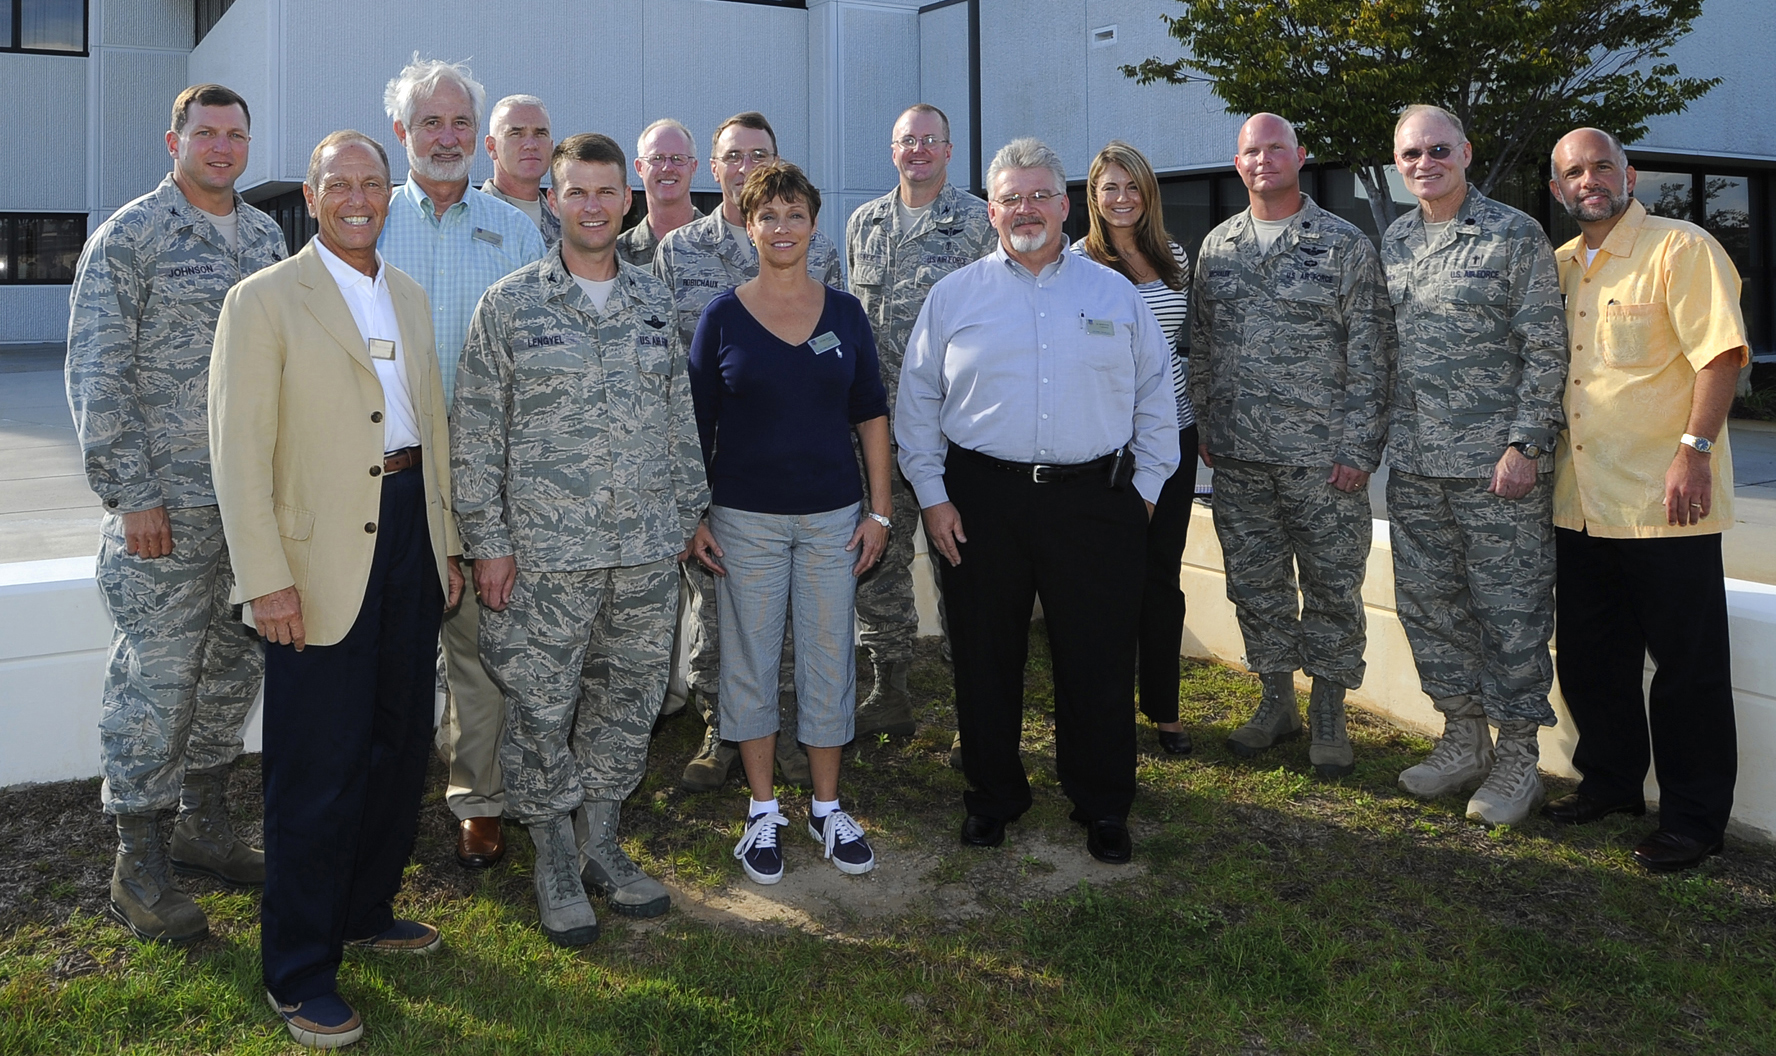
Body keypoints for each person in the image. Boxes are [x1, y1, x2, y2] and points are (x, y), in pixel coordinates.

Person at [211, 129, 463, 1050]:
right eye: (339, 183)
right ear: (311, 199)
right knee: (315, 767)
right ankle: (299, 968)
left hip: (408, 540)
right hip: (316, 562)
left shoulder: (407, 294)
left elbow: (428, 426)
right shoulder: (265, 301)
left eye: (373, 182)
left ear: (388, 195)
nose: (359, 196)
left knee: (398, 747)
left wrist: (444, 546)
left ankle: (365, 909)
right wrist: (266, 579)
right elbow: (238, 457)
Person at [453, 133, 709, 941]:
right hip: (543, 557)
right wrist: (488, 542)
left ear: (626, 200)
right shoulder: (511, 305)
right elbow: (475, 434)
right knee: (539, 707)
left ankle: (602, 841)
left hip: (643, 551)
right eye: (576, 192)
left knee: (628, 702)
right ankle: (553, 855)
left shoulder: (652, 303)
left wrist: (687, 515)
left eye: (606, 192)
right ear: (553, 200)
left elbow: (679, 420)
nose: (592, 206)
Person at [897, 137, 1179, 864]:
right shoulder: (954, 296)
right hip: (981, 499)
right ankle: (993, 798)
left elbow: (1157, 396)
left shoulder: (1112, 294)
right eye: (1010, 197)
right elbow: (917, 405)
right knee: (985, 659)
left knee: (1098, 660)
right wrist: (932, 496)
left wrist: (1144, 492)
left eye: (1040, 195)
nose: (1026, 209)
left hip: (1094, 502)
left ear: (1065, 205)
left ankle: (1103, 802)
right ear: (990, 210)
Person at [66, 83, 287, 945]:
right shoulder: (132, 237)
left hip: (249, 509)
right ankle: (139, 862)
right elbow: (97, 372)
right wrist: (133, 494)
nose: (224, 148)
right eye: (208, 133)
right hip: (167, 508)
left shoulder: (266, 237)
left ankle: (203, 824)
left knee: (232, 672)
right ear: (175, 140)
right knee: (156, 685)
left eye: (237, 134)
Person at [1542, 126, 1749, 871]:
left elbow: (1721, 353)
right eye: (1573, 171)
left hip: (1667, 505)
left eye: (1602, 166)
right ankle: (1611, 785)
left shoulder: (1679, 248)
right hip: (1580, 503)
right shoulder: (1561, 266)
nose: (1589, 179)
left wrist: (1694, 453)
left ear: (1629, 173)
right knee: (1594, 662)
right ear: (1559, 187)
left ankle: (1695, 821)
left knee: (1687, 671)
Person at [685, 161, 891, 885]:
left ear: (813, 224)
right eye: (767, 215)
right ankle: (763, 811)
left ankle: (827, 808)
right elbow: (694, 427)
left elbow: (870, 415)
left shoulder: (844, 314)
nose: (781, 228)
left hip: (835, 519)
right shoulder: (721, 317)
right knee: (751, 662)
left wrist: (880, 512)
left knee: (831, 659)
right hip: (744, 522)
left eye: (795, 214)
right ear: (747, 225)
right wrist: (694, 515)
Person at [378, 54, 546, 872]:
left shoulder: (515, 228)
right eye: (428, 121)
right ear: (400, 131)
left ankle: (477, 800)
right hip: (390, 473)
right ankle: (380, 795)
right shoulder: (369, 220)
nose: (444, 136)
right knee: (382, 639)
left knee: (477, 645)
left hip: (482, 470)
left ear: (477, 139)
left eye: (457, 122)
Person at [1189, 114, 1392, 779]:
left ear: (1301, 156)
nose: (1264, 158)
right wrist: (1209, 423)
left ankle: (1329, 711)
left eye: (1277, 147)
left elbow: (1371, 351)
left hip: (1322, 459)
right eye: (1252, 150)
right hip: (1241, 456)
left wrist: (1359, 446)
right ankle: (1276, 701)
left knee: (1334, 585)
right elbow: (1203, 346)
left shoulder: (1343, 244)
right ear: (1237, 161)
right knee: (1257, 584)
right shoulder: (1217, 247)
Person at [1382, 105, 1568, 826]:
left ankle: (1520, 757)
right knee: (1431, 609)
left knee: (1512, 614)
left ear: (1465, 152)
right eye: (1409, 154)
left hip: (1499, 472)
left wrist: (1526, 445)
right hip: (1419, 466)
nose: (1424, 162)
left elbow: (1547, 348)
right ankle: (1464, 738)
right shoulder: (1394, 240)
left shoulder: (1514, 234)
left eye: (1437, 149)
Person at [656, 111, 843, 792]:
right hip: (714, 459)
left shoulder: (815, 248)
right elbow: (667, 364)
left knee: (795, 615)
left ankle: (791, 727)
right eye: (732, 155)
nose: (743, 165)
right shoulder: (679, 249)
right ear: (715, 168)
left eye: (757, 153)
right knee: (716, 606)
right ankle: (722, 726)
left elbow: (837, 356)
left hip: (796, 464)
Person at [844, 103, 995, 743]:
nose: (918, 151)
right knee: (876, 561)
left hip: (951, 427)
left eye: (930, 141)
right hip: (876, 429)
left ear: (949, 150)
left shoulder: (977, 223)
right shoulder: (864, 223)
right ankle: (890, 685)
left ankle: (975, 699)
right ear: (893, 148)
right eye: (908, 141)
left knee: (960, 562)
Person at [1073, 139, 1200, 756]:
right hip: (1108, 450)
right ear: (1093, 199)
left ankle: (1165, 708)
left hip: (1171, 438)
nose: (1122, 199)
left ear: (1148, 194)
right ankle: (1104, 707)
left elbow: (1186, 346)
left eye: (1132, 187)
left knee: (1162, 577)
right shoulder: (1078, 265)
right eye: (1109, 188)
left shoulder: (1173, 256)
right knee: (1104, 582)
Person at [618, 118, 703, 268]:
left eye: (678, 158)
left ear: (693, 167)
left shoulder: (722, 245)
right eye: (657, 158)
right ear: (639, 168)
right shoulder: (616, 256)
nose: (667, 168)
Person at [480, 93, 560, 242]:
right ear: (492, 146)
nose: (531, 145)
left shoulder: (566, 223)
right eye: (516, 134)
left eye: (540, 133)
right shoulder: (468, 217)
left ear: (551, 146)